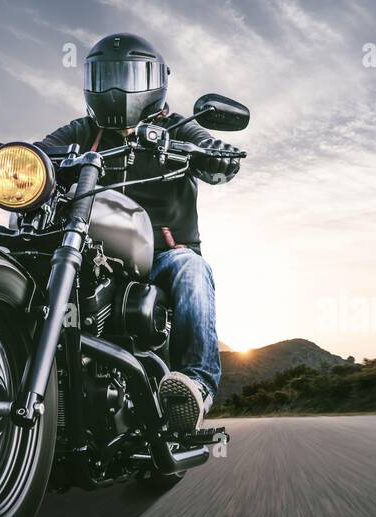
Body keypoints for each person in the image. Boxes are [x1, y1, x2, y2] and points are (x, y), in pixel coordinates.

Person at [39, 32, 241, 432]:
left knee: (192, 271)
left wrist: (217, 154)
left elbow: (209, 148)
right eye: (106, 77)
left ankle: (196, 386)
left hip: (163, 253)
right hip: (93, 251)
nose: (116, 88)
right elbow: (38, 151)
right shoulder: (82, 131)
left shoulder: (179, 128)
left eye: (128, 76)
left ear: (155, 80)